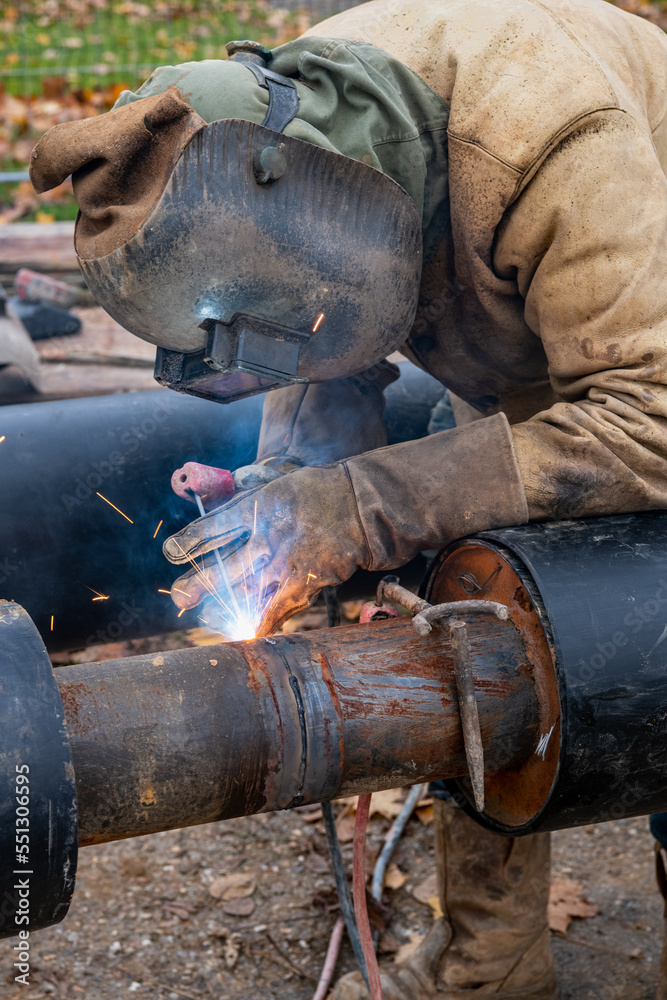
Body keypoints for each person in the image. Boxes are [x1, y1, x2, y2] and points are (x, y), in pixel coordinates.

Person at [30, 1, 667, 995]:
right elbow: (314, 333)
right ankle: (491, 968)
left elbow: (650, 421)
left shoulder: (551, 132)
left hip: (648, 356)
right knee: (480, 610)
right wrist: (292, 489)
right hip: (523, 328)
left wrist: (360, 504)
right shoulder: (311, 152)